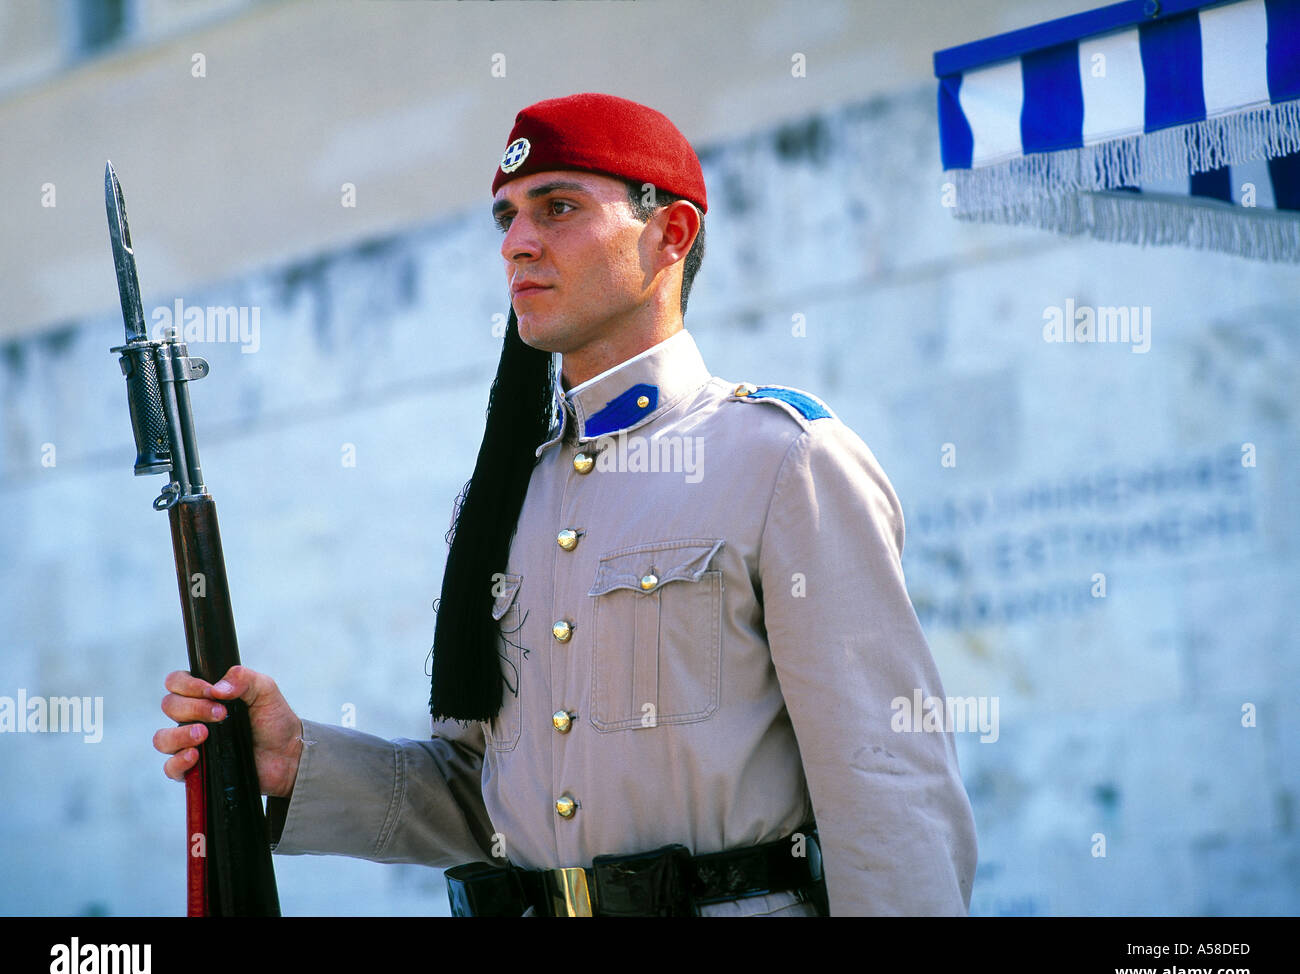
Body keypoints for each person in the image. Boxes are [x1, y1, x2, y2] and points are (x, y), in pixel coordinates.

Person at [154, 92, 978, 916]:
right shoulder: (506, 497)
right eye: (507, 216)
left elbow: (888, 787)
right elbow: (485, 804)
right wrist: (297, 758)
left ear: (672, 233)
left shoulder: (782, 460)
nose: (517, 243)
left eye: (558, 208)